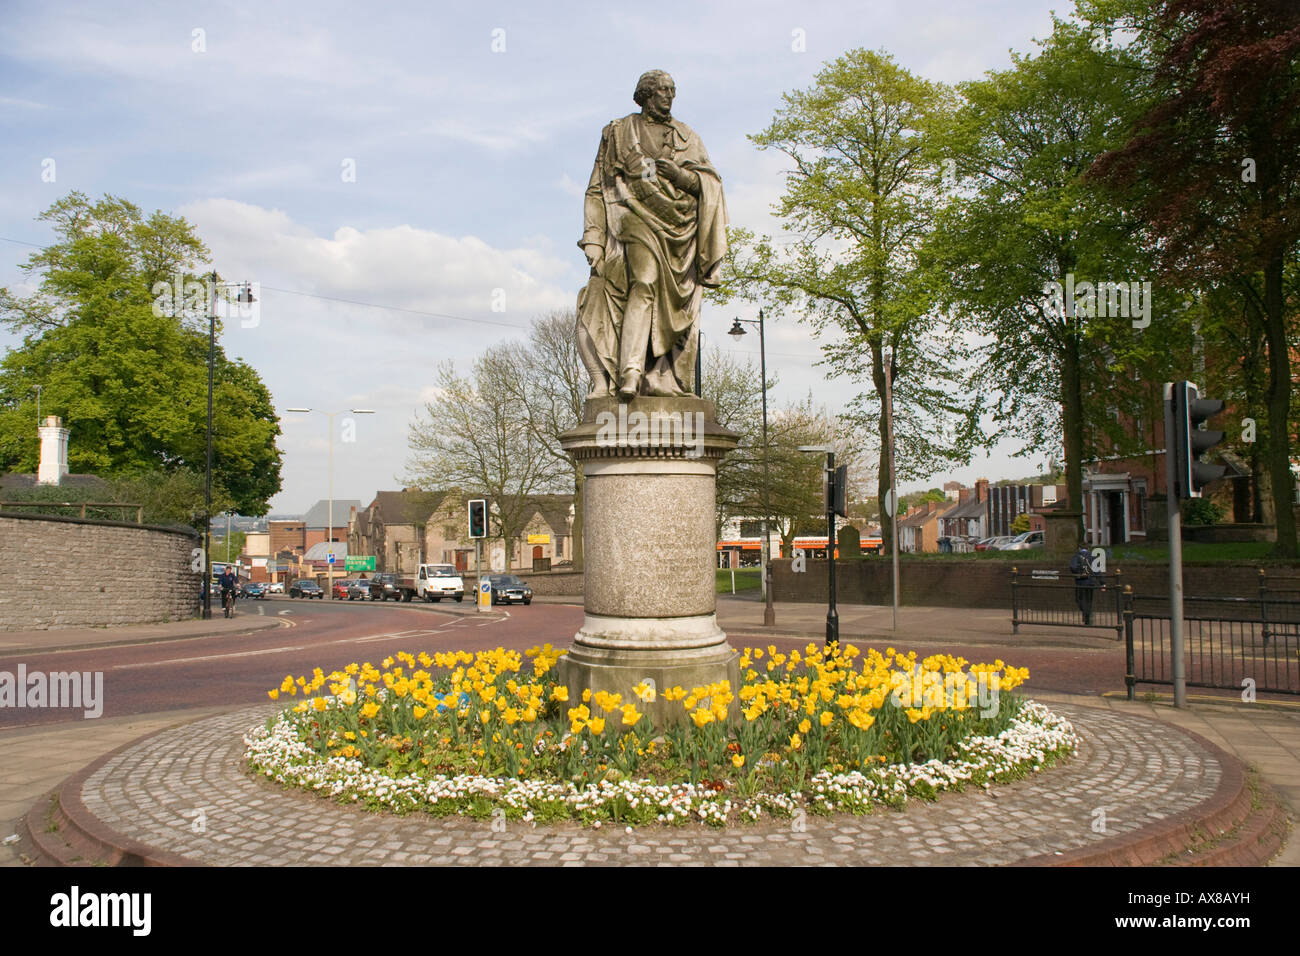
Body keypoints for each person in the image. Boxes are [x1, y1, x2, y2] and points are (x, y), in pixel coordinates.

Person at [577, 69, 728, 400]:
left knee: (669, 300)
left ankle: (660, 376)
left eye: (673, 90)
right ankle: (630, 371)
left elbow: (710, 182)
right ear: (645, 95)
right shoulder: (618, 132)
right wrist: (594, 238)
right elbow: (596, 189)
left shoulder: (688, 136)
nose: (669, 96)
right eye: (662, 90)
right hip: (632, 216)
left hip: (680, 232)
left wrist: (681, 177)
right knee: (644, 280)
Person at [1070, 546, 1098, 625]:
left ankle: (1086, 613)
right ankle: (1087, 617)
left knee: (1079, 599)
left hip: (1081, 581)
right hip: (1091, 582)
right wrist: (1102, 582)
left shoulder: (1077, 556)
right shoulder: (1092, 556)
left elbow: (1073, 567)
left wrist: (1078, 572)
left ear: (1079, 548)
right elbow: (1097, 569)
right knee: (1089, 600)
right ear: (1088, 548)